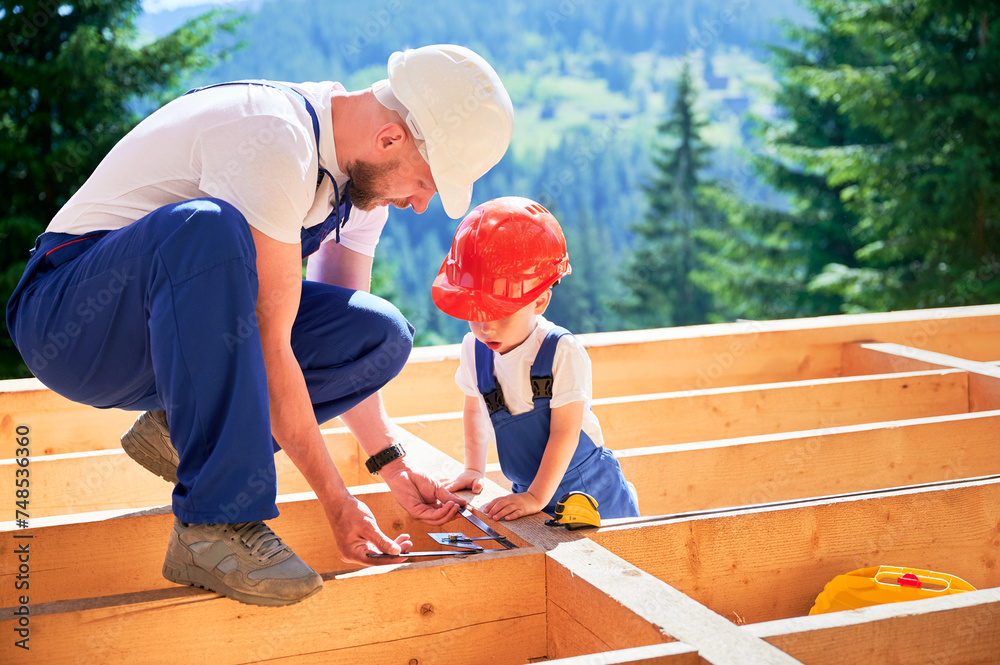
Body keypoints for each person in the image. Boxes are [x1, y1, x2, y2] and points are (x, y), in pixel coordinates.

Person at [5, 44, 514, 607]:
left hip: (169, 339)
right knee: (205, 229)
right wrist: (336, 500)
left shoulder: (357, 187)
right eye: (424, 183)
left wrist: (390, 464)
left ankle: (179, 437)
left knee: (378, 334)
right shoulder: (275, 139)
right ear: (390, 139)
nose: (419, 204)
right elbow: (273, 351)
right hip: (71, 325)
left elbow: (327, 349)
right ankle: (213, 524)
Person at [431, 197, 640, 522]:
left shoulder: (560, 352)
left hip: (589, 493)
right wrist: (474, 468)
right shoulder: (475, 350)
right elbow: (474, 409)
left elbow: (564, 433)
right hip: (529, 492)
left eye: (501, 312)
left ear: (540, 301)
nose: (487, 326)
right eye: (477, 312)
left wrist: (535, 497)